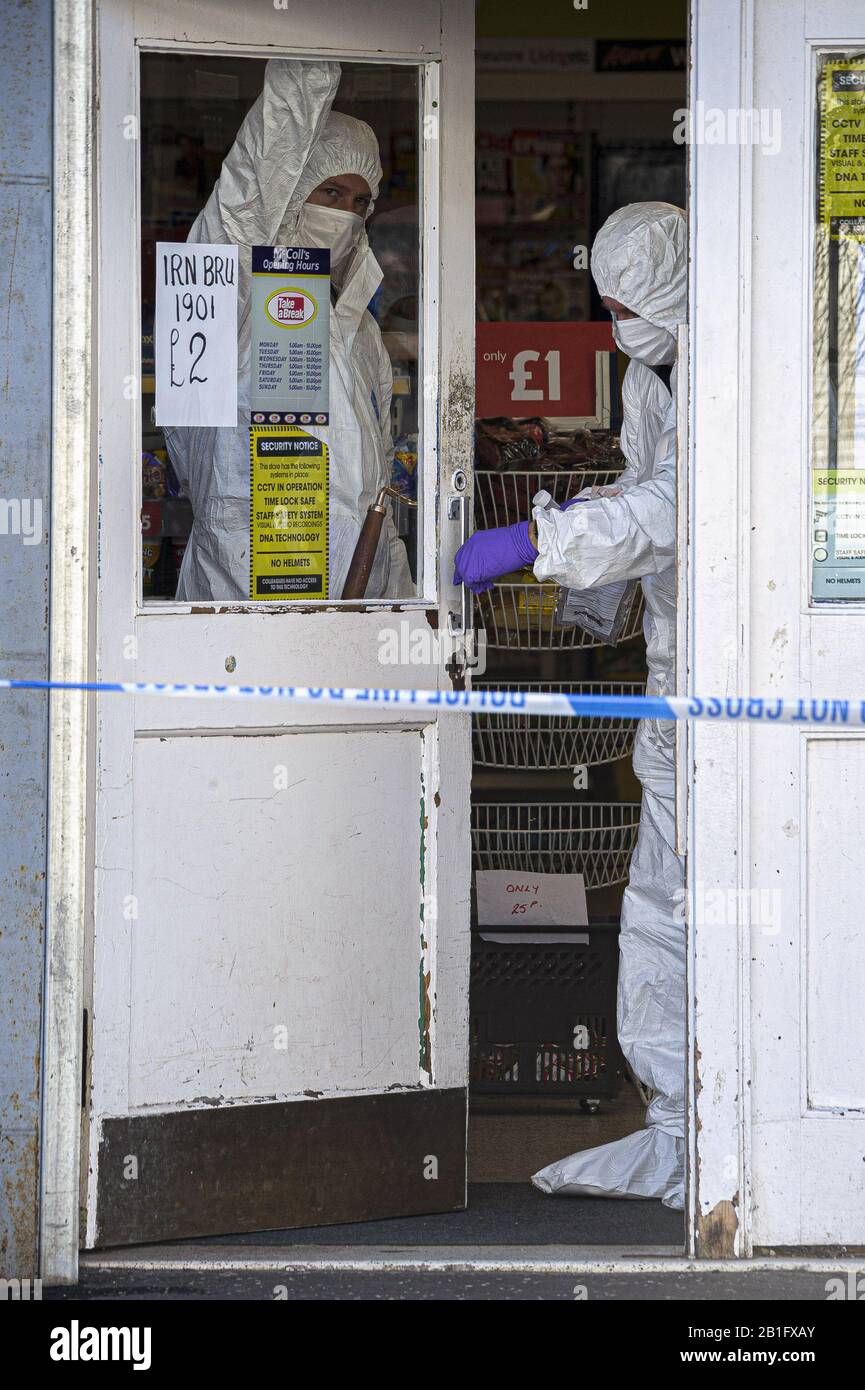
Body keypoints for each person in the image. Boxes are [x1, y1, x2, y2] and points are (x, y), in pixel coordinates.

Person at [454, 202, 687, 1208]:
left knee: (730, 908)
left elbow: (684, 504)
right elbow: (644, 485)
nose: (617, 319)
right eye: (607, 303)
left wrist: (541, 544)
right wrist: (588, 586)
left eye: (630, 301)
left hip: (742, 679)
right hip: (681, 684)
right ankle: (676, 1129)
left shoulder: (736, 359)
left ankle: (757, 1130)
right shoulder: (650, 370)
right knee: (662, 906)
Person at [164, 59, 413, 602]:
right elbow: (251, 186)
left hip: (355, 606)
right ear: (291, 189)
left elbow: (377, 491)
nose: (347, 214)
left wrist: (400, 599)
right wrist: (310, 48)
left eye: (360, 202)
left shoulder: (358, 327)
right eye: (330, 194)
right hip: (243, 597)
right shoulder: (231, 293)